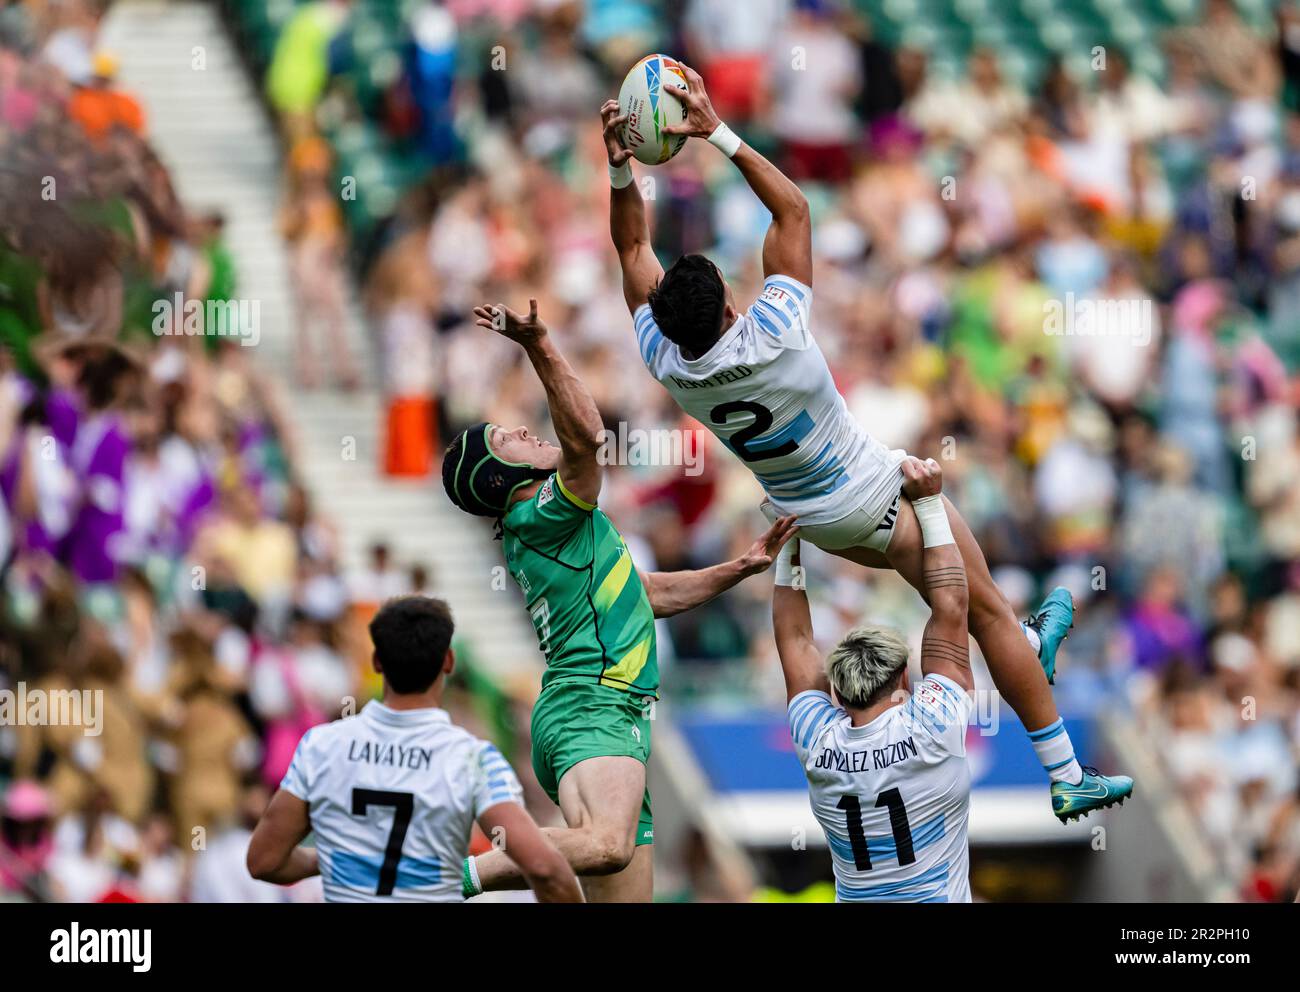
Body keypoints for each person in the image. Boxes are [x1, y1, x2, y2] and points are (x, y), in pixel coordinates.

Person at [601, 64, 1133, 822]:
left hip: (811, 514)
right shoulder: (775, 332)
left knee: (987, 606)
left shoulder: (666, 359)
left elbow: (631, 256)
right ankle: (1064, 768)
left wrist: (621, 167)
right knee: (971, 610)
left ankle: (1024, 639)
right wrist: (716, 131)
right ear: (726, 309)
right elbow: (793, 210)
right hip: (868, 493)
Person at [441, 298, 798, 902]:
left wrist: (739, 568)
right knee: (608, 843)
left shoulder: (550, 527)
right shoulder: (542, 513)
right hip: (593, 704)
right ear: (500, 478)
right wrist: (539, 345)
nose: (527, 432)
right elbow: (588, 439)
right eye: (510, 438)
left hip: (604, 710)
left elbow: (645, 594)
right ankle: (464, 875)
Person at [245, 595, 583, 903]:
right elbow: (544, 869)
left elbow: (264, 861)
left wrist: (338, 858)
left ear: (377, 662)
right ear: (448, 662)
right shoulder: (474, 758)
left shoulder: (321, 745)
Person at [772, 456, 976, 900]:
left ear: (837, 690)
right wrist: (929, 502)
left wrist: (787, 543)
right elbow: (953, 607)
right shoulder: (929, 728)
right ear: (904, 678)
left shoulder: (818, 740)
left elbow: (797, 642)